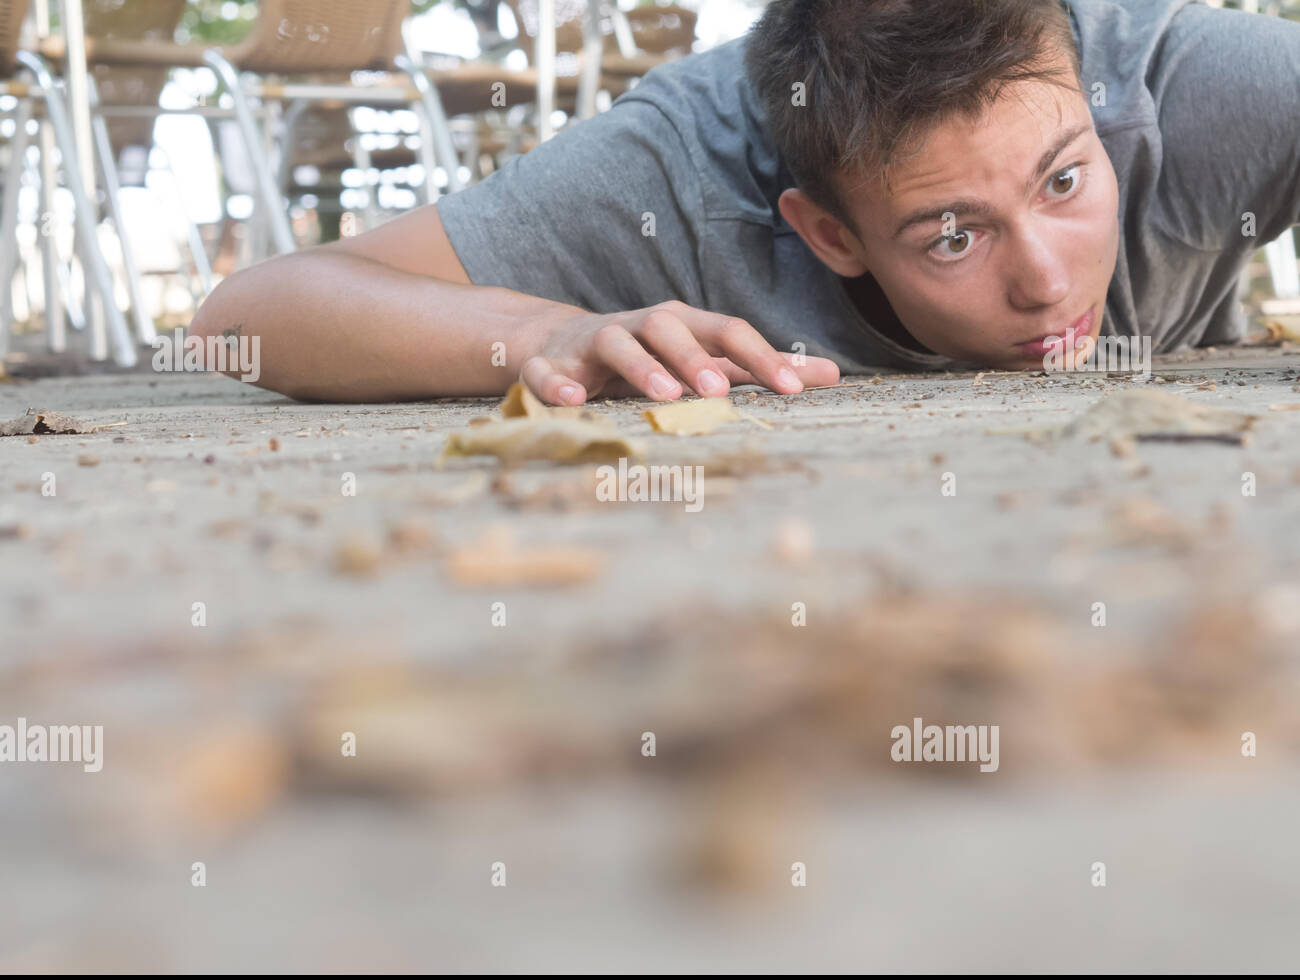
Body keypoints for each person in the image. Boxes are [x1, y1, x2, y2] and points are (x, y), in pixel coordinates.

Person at [189, 0, 1300, 404]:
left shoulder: (1191, 83)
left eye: (1064, 183)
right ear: (825, 231)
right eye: (951, 234)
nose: (1049, 282)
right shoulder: (668, 176)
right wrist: (549, 331)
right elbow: (238, 324)